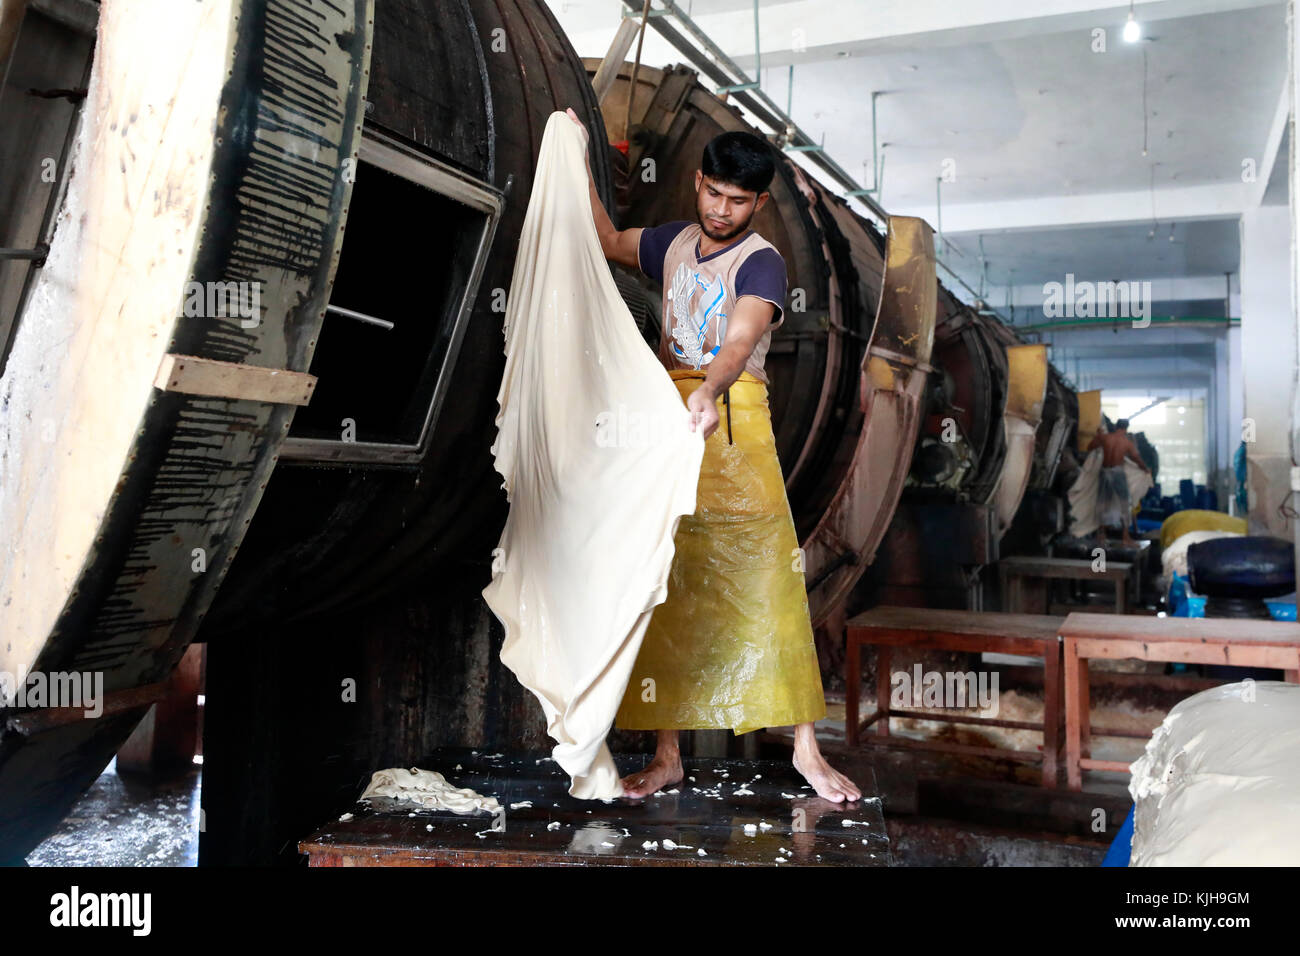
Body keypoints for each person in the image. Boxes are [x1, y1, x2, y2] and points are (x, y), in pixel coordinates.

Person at [565, 108, 861, 803]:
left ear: (759, 203)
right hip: (667, 422)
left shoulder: (761, 261)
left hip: (732, 420)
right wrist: (574, 154)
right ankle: (667, 755)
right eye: (716, 194)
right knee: (665, 580)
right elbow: (605, 239)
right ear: (698, 182)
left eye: (739, 201)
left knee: (768, 579)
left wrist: (710, 390)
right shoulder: (669, 242)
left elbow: (738, 341)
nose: (723, 210)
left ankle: (806, 750)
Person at [1087, 419, 1150, 546]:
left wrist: (1098, 436)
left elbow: (1090, 447)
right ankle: (1125, 537)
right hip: (1117, 473)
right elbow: (1137, 458)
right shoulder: (1127, 443)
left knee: (1103, 503)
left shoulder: (1105, 438)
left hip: (1104, 472)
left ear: (1116, 426)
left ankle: (1101, 536)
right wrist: (1146, 469)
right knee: (1124, 504)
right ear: (1126, 428)